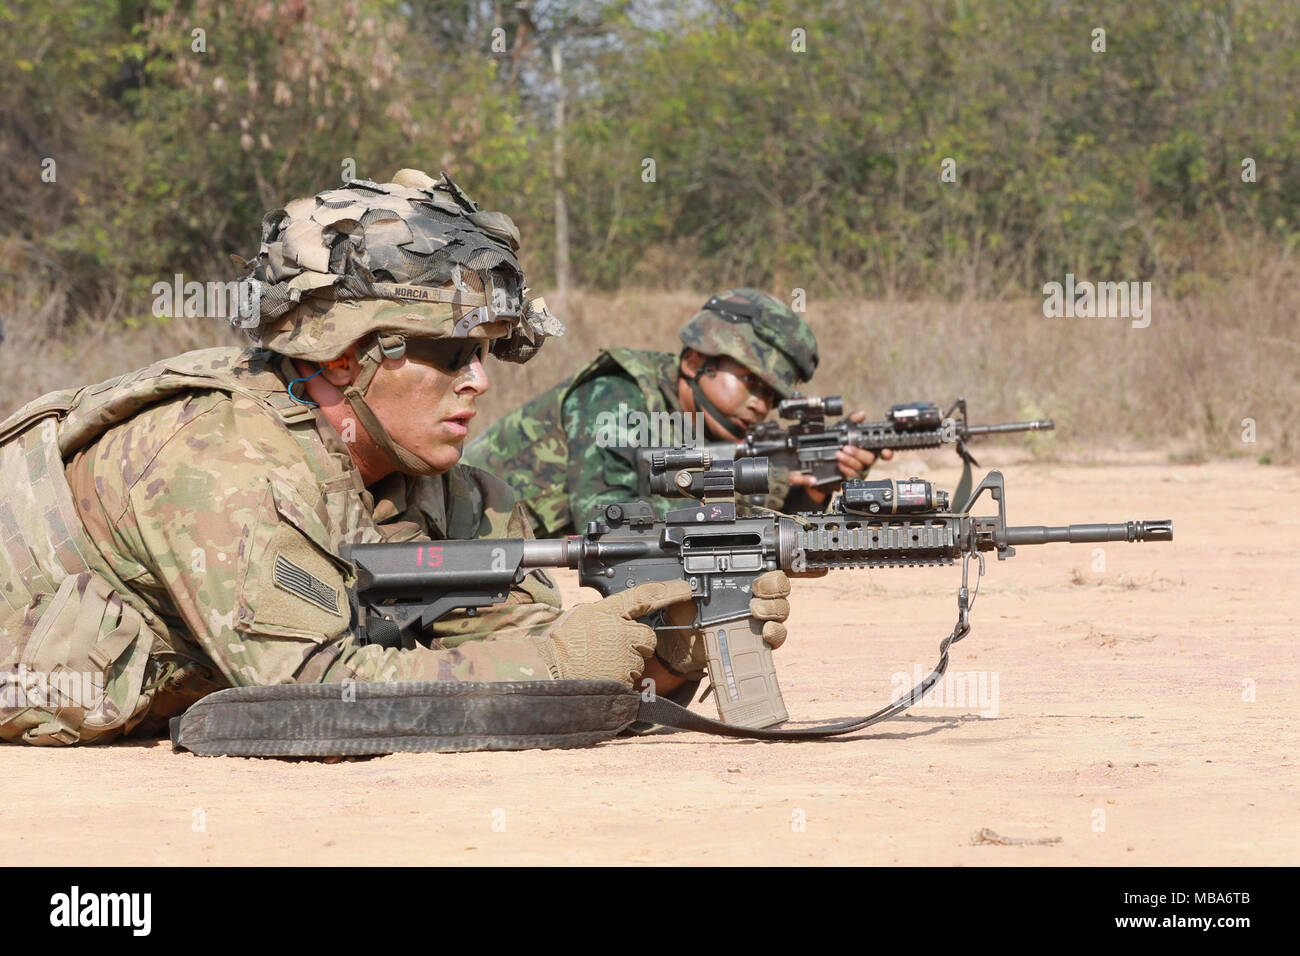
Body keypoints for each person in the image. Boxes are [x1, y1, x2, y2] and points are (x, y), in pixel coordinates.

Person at [0, 169, 789, 746]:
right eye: (449, 352)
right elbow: (306, 698)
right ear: (343, 359)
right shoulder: (220, 463)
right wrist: (555, 663)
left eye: (484, 353)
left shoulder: (455, 492)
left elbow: (513, 662)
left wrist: (667, 650)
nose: (477, 381)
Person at [462, 289, 890, 535]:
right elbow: (610, 521)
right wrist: (752, 497)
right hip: (453, 536)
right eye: (751, 382)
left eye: (774, 397)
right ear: (693, 362)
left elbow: (783, 533)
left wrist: (815, 486)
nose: (761, 404)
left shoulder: (715, 432)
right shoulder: (618, 394)